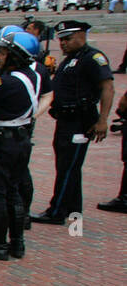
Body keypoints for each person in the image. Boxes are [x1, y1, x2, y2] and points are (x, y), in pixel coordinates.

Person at [0, 31, 50, 261]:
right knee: (13, 193)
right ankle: (17, 242)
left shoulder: (6, 81)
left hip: (1, 141)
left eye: (4, 53)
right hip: (20, 139)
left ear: (15, 56)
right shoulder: (33, 76)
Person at [30, 19, 115, 225]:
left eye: (68, 39)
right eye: (61, 40)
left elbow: (108, 88)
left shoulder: (93, 58)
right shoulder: (71, 58)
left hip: (80, 120)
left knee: (68, 166)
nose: (63, 43)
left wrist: (103, 120)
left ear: (82, 35)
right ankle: (73, 208)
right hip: (66, 120)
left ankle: (57, 211)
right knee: (67, 165)